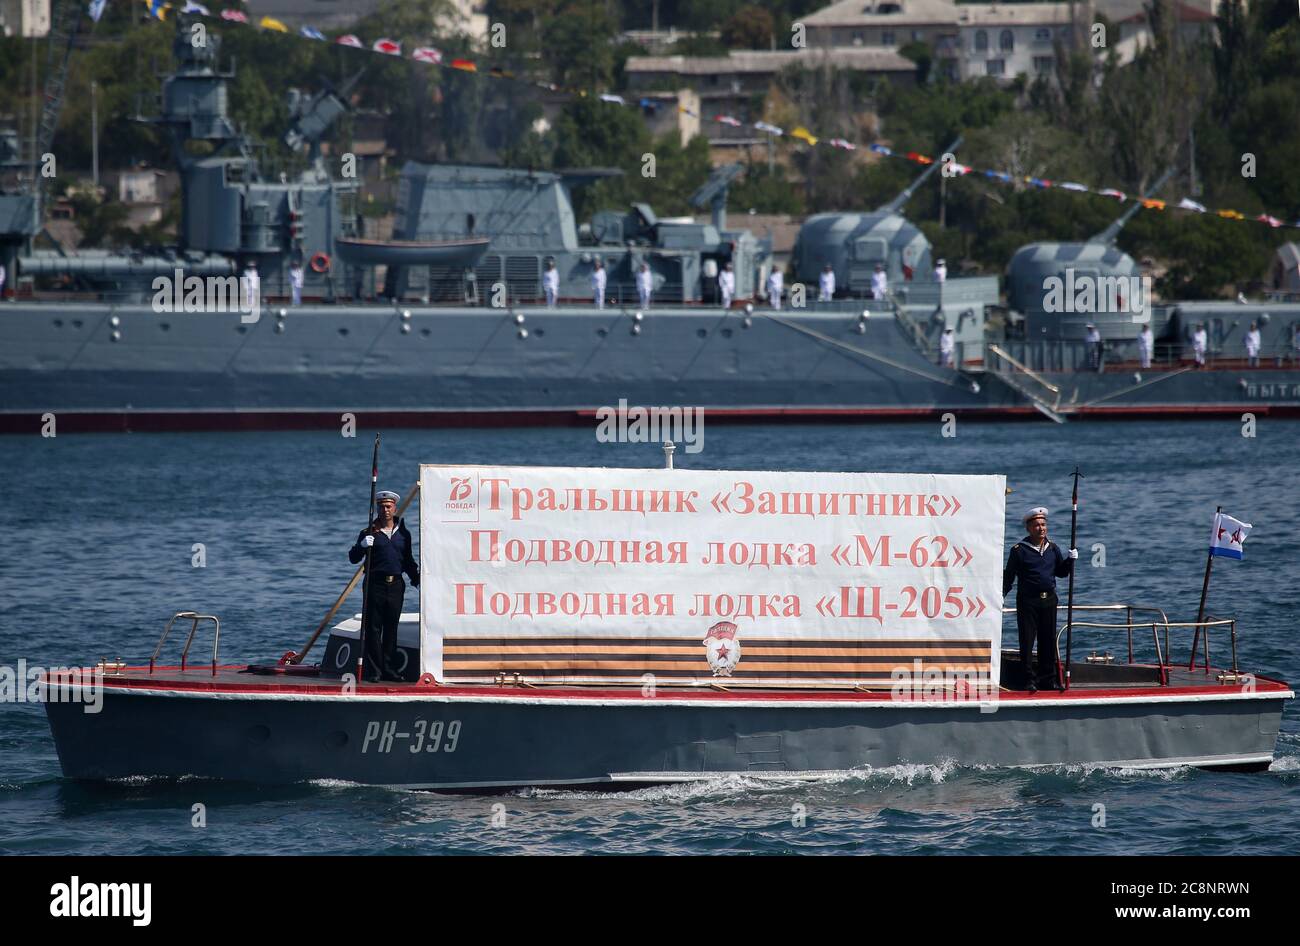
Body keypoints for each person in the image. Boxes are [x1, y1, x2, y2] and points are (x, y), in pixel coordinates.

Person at [348, 490, 419, 683]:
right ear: (377, 508)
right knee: (373, 629)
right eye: (381, 506)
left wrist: (416, 580)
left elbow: (408, 561)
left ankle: (389, 670)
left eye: (388, 506)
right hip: (374, 584)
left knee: (391, 628)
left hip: (396, 585)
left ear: (395, 508)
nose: (385, 510)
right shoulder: (368, 532)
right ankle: (375, 671)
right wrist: (362, 546)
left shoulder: (404, 534)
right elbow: (353, 558)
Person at [1003, 507, 1077, 692]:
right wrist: (1001, 596)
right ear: (1028, 528)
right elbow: (1009, 577)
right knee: (1027, 641)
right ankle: (1028, 680)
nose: (1041, 528)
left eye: (1043, 524)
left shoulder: (1053, 548)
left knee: (1048, 641)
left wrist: (1070, 560)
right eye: (1036, 525)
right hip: (1028, 602)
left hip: (1049, 600)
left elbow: (1060, 573)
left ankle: (1048, 679)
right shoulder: (1019, 550)